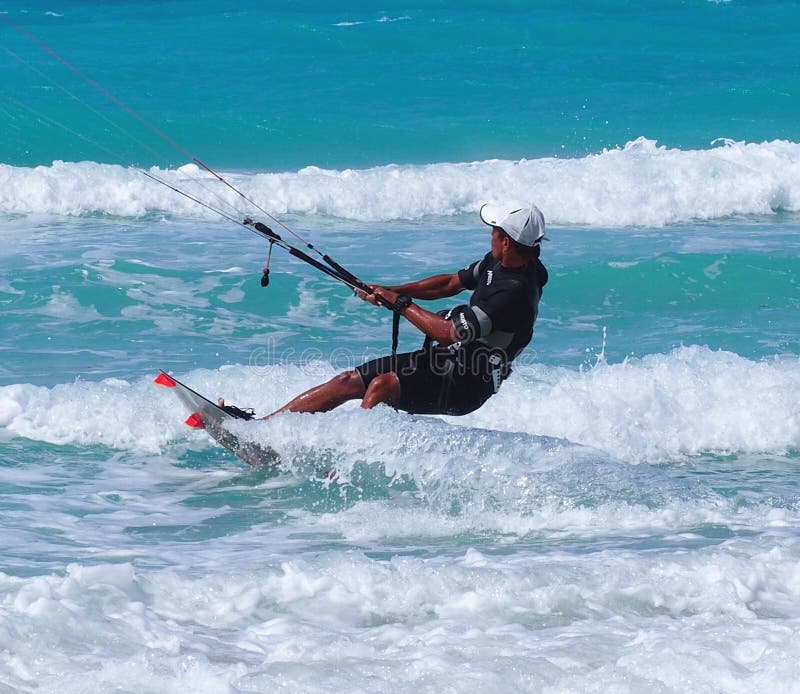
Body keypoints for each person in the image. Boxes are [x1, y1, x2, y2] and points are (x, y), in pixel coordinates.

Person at [226, 202, 549, 418]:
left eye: (495, 231)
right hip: (446, 362)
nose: (490, 234)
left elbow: (450, 334)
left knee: (381, 387)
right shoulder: (504, 260)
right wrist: (390, 290)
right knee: (348, 381)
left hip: (468, 384)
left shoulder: (514, 290)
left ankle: (347, 468)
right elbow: (450, 282)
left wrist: (399, 303)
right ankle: (264, 429)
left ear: (507, 241)